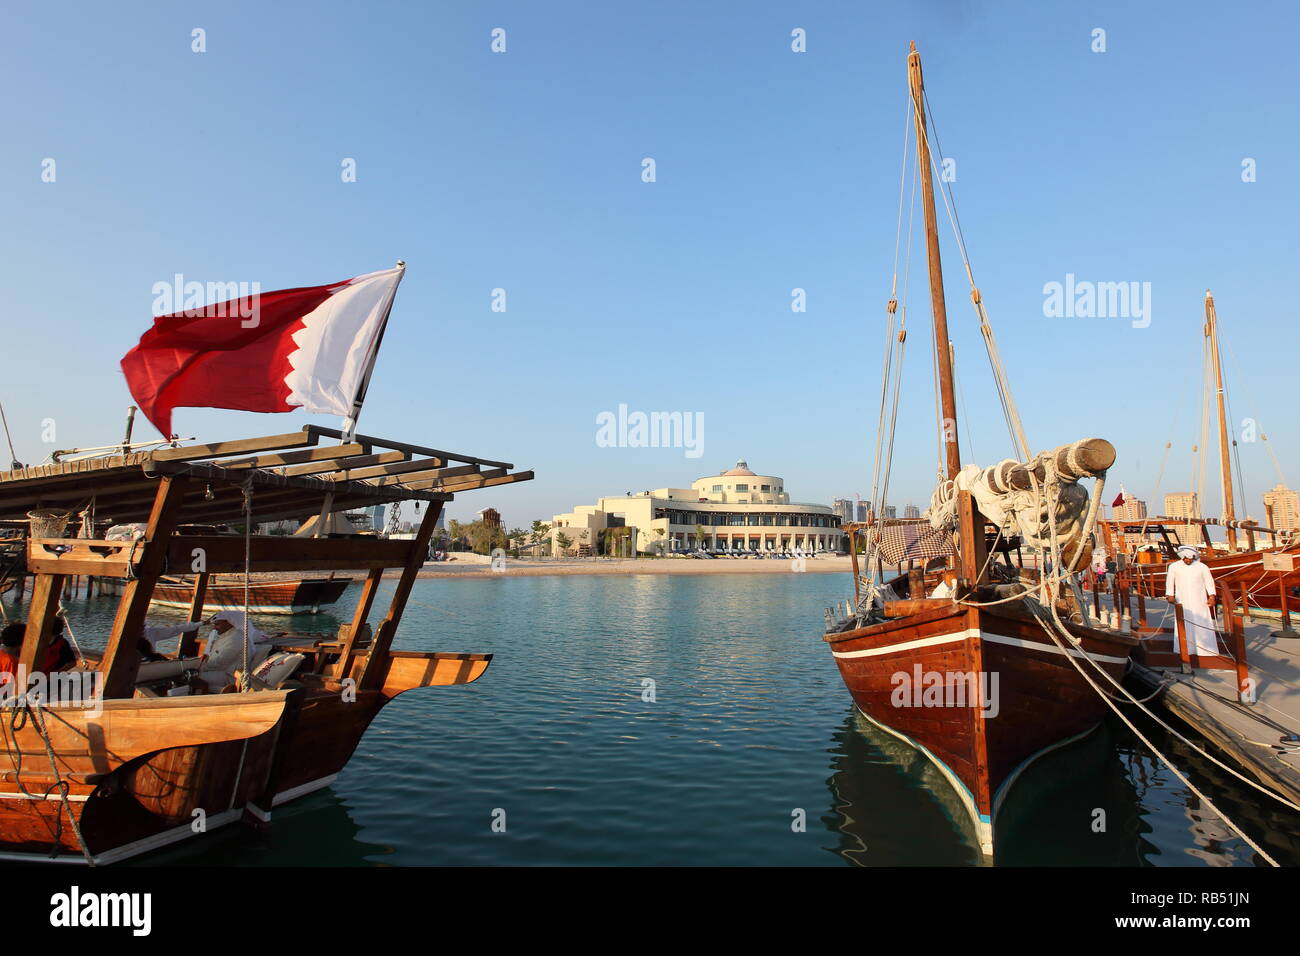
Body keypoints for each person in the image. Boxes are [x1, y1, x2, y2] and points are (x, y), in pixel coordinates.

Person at [1166, 545, 1219, 657]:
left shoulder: (1202, 567)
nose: (1189, 560)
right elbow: (1170, 582)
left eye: (1191, 558)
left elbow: (1209, 582)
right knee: (1184, 623)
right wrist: (1170, 595)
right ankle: (1184, 650)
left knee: (1202, 622)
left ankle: (1206, 651)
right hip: (1182, 601)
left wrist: (1212, 596)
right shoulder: (1174, 567)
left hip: (1200, 601)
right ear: (1182, 557)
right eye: (1186, 558)